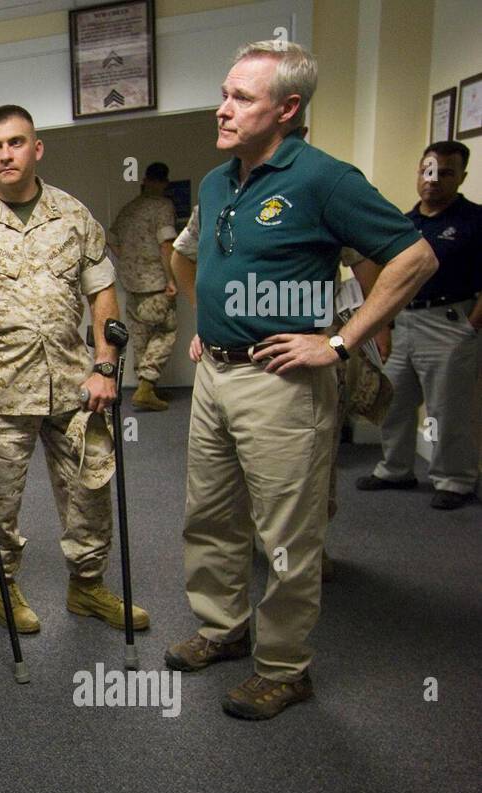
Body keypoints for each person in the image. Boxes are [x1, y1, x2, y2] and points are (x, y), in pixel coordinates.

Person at [165, 41, 436, 719]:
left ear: (287, 109)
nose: (223, 110)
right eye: (224, 94)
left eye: (242, 99)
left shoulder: (325, 179)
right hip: (215, 375)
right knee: (210, 513)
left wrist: (339, 342)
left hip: (281, 382)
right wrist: (213, 319)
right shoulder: (217, 180)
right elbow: (194, 260)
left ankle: (285, 667)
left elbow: (414, 256)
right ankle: (223, 626)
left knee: (286, 531)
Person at [0, 104, 150, 637]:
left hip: (77, 387)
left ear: (36, 149)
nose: (7, 153)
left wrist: (105, 368)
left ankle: (87, 586)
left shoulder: (75, 217)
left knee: (91, 490)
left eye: (17, 142)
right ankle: (0, 589)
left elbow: (103, 297)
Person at [170, 203, 383, 580]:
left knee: (304, 477)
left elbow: (375, 266)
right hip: (226, 364)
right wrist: (208, 317)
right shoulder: (219, 193)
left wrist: (356, 336)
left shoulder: (321, 189)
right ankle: (235, 602)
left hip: (298, 363)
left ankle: (305, 556)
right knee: (221, 484)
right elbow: (182, 258)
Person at [357, 140, 482, 510]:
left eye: (445, 173)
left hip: (449, 323)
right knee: (392, 400)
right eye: (427, 171)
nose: (433, 180)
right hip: (400, 322)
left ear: (461, 177)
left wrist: (471, 325)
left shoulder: (474, 222)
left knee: (446, 408)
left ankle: (454, 480)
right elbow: (380, 277)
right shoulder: (403, 224)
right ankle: (395, 468)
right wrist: (380, 326)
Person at [109, 161, 179, 411]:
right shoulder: (163, 206)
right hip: (156, 282)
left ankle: (144, 387)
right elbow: (166, 245)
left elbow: (112, 239)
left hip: (132, 283)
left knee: (139, 335)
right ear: (163, 182)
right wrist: (172, 278)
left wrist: (128, 262)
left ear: (144, 181)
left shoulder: (129, 209)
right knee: (166, 331)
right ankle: (147, 385)